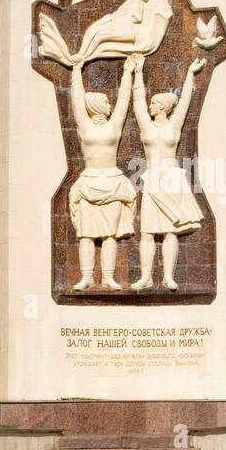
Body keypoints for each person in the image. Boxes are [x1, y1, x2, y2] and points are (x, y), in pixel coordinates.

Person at [130, 54, 206, 290]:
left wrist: (190, 74)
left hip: (172, 179)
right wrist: (138, 71)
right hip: (153, 178)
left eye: (154, 103)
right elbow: (137, 101)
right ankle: (145, 277)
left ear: (163, 106)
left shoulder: (174, 124)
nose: (150, 105)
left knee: (171, 230)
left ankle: (168, 277)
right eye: (151, 103)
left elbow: (184, 101)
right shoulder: (147, 125)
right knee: (148, 231)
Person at [67, 57, 136, 290]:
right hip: (89, 182)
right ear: (96, 105)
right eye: (106, 101)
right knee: (86, 234)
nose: (110, 105)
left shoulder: (114, 125)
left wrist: (128, 72)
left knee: (110, 235)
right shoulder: (84, 126)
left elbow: (124, 101)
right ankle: (87, 277)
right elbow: (77, 100)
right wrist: (76, 71)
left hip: (113, 183)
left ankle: (107, 277)